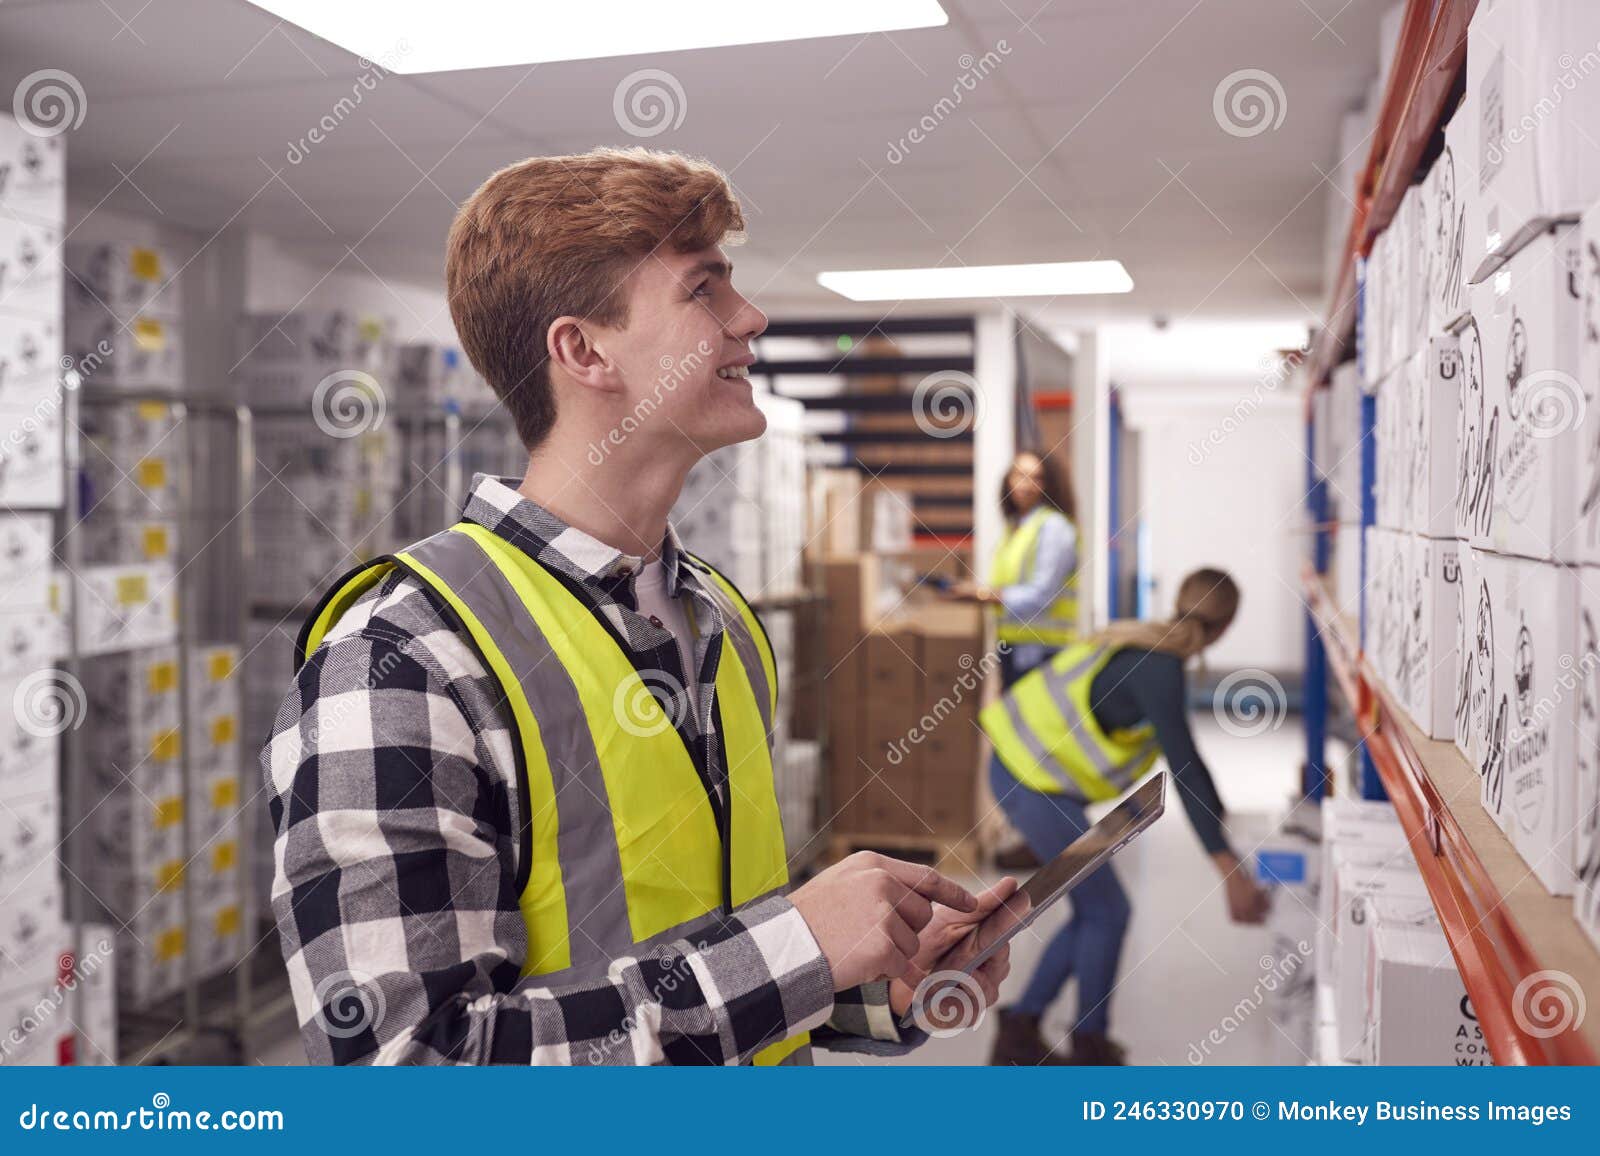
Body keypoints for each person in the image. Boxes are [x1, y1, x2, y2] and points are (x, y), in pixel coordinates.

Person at [262, 147, 1026, 1065]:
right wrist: (795, 945)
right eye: (704, 290)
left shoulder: (722, 623)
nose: (752, 317)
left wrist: (872, 990)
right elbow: (408, 1064)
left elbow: (705, 951)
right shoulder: (403, 655)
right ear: (584, 350)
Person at [980, 568, 1270, 1067]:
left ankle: (1021, 1030)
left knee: (1097, 912)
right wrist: (1228, 869)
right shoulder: (1159, 666)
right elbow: (1185, 766)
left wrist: (1223, 830)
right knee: (1108, 912)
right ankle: (1084, 1045)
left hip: (1037, 778)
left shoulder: (1149, 646)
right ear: (1225, 627)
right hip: (1028, 779)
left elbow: (1190, 763)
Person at [946, 450, 1079, 688]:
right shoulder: (1014, 528)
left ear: (1049, 484)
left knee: (1032, 723)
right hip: (1014, 645)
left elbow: (1042, 594)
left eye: (1036, 478)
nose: (1026, 485)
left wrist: (982, 594)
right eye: (1019, 475)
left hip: (1041, 651)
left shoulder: (1053, 528)